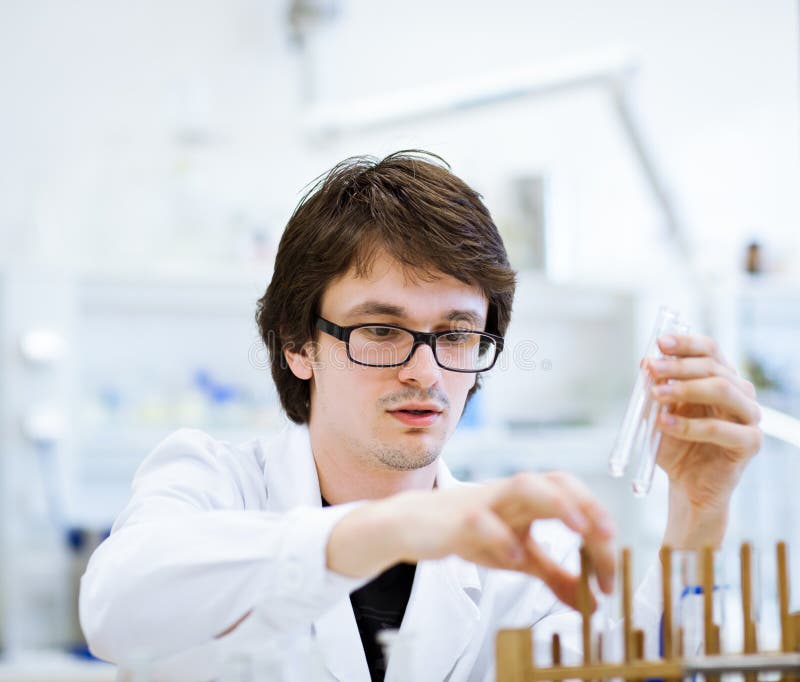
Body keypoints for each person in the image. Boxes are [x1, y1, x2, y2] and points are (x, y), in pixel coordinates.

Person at [79, 151, 762, 682]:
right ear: (297, 343)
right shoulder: (211, 482)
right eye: (381, 329)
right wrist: (394, 526)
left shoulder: (525, 560)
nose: (427, 373)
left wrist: (699, 513)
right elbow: (116, 609)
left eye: (458, 334)